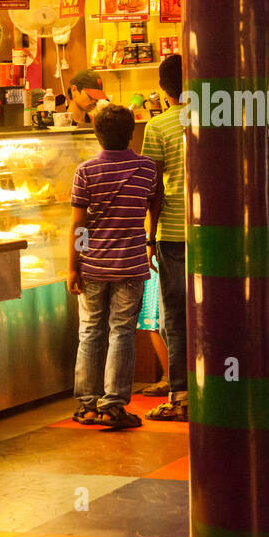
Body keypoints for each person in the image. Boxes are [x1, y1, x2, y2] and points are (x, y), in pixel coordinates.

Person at [67, 104, 162, 429]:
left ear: (98, 134)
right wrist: (149, 239)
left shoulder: (86, 171)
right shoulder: (147, 168)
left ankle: (87, 406)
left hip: (93, 265)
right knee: (121, 333)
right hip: (131, 265)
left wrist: (73, 266)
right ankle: (113, 407)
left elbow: (79, 225)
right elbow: (155, 202)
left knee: (90, 331)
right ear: (132, 133)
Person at [141, 54, 189, 421]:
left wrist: (148, 235)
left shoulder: (157, 127)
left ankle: (181, 396)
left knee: (175, 313)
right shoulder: (220, 119)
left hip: (173, 233)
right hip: (214, 233)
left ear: (163, 88)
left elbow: (152, 189)